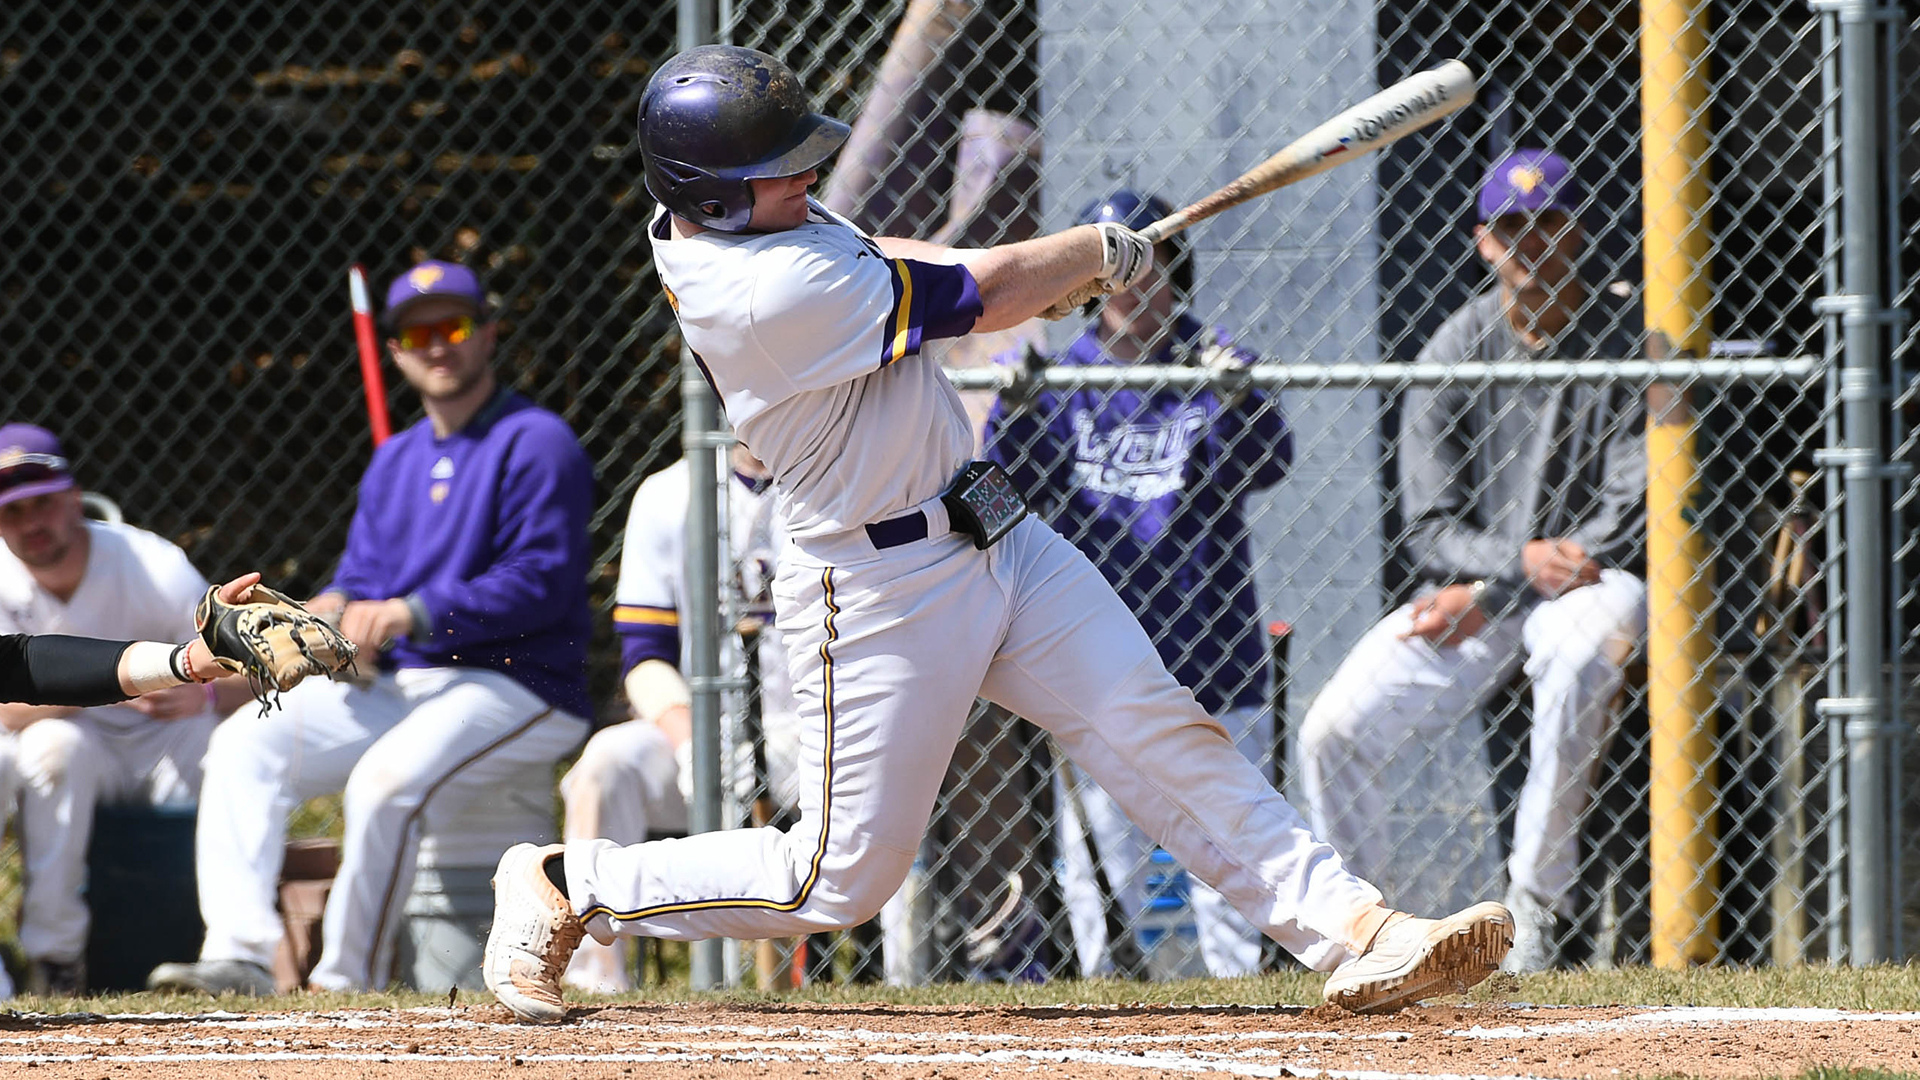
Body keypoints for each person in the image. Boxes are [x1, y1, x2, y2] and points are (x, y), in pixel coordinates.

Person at [484, 45, 1511, 1024]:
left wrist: (1061, 272)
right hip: (876, 586)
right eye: (780, 169)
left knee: (1153, 721)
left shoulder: (754, 217)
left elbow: (909, 263)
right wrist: (1090, 254)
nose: (807, 176)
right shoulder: (757, 290)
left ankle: (1357, 930)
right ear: (711, 196)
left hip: (993, 536)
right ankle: (574, 883)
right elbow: (975, 296)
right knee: (835, 877)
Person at [147, 260, 597, 996]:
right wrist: (322, 611)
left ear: (489, 333)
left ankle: (341, 981)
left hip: (521, 684)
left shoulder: (537, 441)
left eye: (454, 325)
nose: (437, 344)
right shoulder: (396, 460)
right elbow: (360, 578)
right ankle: (240, 957)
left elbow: (539, 581)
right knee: (243, 745)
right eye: (418, 333)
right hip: (405, 684)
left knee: (384, 785)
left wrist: (411, 612)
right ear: (394, 350)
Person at [1297, 149, 1648, 974]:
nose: (1532, 243)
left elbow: (1633, 510)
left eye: (1549, 222)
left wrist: (1524, 574)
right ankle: (1370, 935)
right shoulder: (1455, 345)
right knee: (1331, 730)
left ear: (1577, 231)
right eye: (1512, 227)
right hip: (1483, 594)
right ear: (1485, 241)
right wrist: (1509, 574)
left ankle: (1534, 910)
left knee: (1585, 648)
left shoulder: (1630, 339)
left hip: (1587, 582)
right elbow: (1428, 528)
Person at [981, 190, 1286, 978]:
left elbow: (1268, 465)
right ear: (1086, 285)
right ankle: (1102, 981)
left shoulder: (1208, 360)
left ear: (1178, 275)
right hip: (1100, 653)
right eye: (1116, 271)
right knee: (1104, 847)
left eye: (1153, 268)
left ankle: (1240, 987)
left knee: (1230, 836)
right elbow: (1005, 493)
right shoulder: (1064, 376)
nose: (1135, 288)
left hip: (1213, 645)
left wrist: (1239, 401)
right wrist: (1013, 414)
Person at [0, 424, 263, 998]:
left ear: (75, 498)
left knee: (234, 743)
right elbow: (10, 700)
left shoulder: (150, 563)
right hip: (72, 736)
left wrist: (206, 692)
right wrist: (88, 694)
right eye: (11, 511)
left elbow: (252, 664)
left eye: (42, 503)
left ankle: (231, 955)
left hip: (166, 734)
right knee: (52, 748)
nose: (29, 523)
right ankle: (55, 961)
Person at [560, 443, 795, 992]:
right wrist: (692, 745)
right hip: (704, 730)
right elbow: (643, 657)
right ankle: (594, 980)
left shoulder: (843, 477)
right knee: (607, 763)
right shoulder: (669, 493)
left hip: (818, 730)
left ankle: (906, 974)